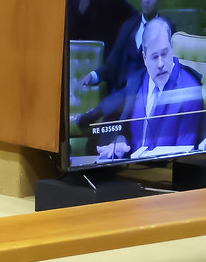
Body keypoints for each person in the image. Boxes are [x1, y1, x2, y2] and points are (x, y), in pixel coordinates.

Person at [74, 17, 204, 162]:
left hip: (166, 173)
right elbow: (126, 129)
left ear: (171, 50)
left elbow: (185, 155)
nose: (161, 63)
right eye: (154, 57)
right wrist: (121, 143)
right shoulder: (137, 82)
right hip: (130, 171)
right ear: (144, 58)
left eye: (165, 53)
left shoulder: (190, 89)